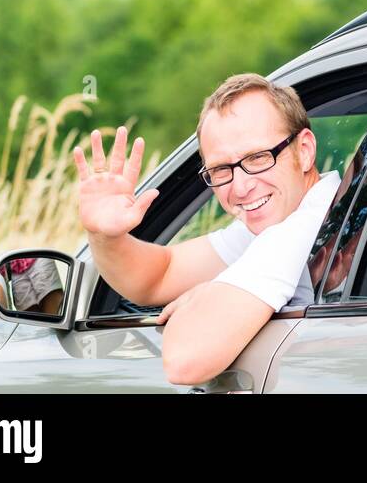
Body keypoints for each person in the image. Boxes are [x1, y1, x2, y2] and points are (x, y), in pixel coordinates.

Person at [75, 74, 340, 386]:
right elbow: (158, 275)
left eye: (257, 158)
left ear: (305, 150)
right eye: (221, 170)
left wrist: (203, 295)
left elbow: (184, 361)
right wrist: (105, 234)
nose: (241, 187)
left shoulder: (297, 230)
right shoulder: (303, 208)